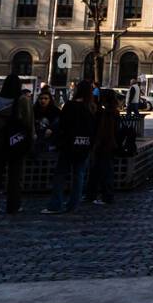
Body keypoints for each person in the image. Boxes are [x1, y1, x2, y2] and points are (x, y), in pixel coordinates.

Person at [0, 74, 34, 215]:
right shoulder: (23, 101)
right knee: (15, 177)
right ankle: (13, 206)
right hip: (16, 142)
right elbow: (29, 123)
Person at [45, 81, 96, 213]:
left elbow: (63, 125)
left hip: (69, 145)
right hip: (85, 145)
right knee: (79, 175)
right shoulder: (91, 107)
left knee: (60, 175)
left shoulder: (70, 105)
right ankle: (73, 205)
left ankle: (56, 205)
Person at [85, 87, 120, 205]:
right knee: (99, 171)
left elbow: (103, 131)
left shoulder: (105, 113)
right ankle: (92, 195)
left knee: (103, 171)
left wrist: (97, 144)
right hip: (107, 145)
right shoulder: (112, 111)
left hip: (104, 145)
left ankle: (105, 196)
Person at [33, 88, 61, 156]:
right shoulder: (34, 110)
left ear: (50, 100)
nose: (43, 100)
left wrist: (52, 128)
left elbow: (60, 123)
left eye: (46, 98)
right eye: (41, 98)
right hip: (36, 140)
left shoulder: (56, 111)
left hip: (51, 141)